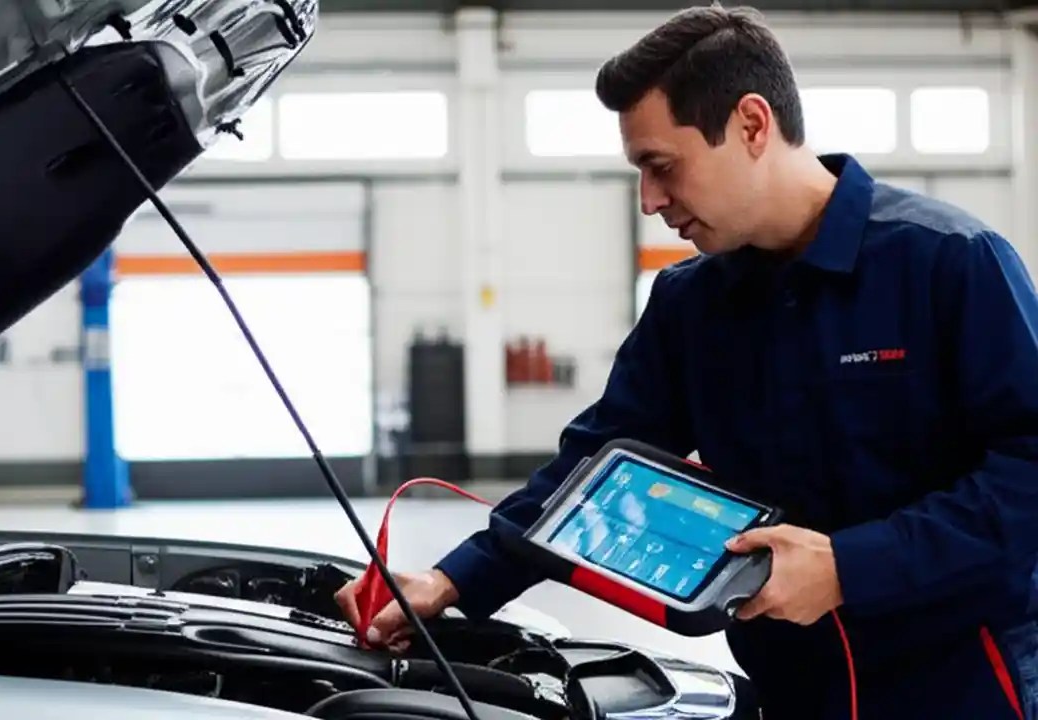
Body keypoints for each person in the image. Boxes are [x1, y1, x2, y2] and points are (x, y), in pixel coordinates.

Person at [334, 4, 1038, 719]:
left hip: (961, 686)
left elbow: (1029, 471)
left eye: (661, 166)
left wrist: (852, 567)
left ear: (752, 125)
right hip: (789, 690)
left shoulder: (948, 264)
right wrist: (452, 580)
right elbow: (593, 469)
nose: (649, 201)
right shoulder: (690, 304)